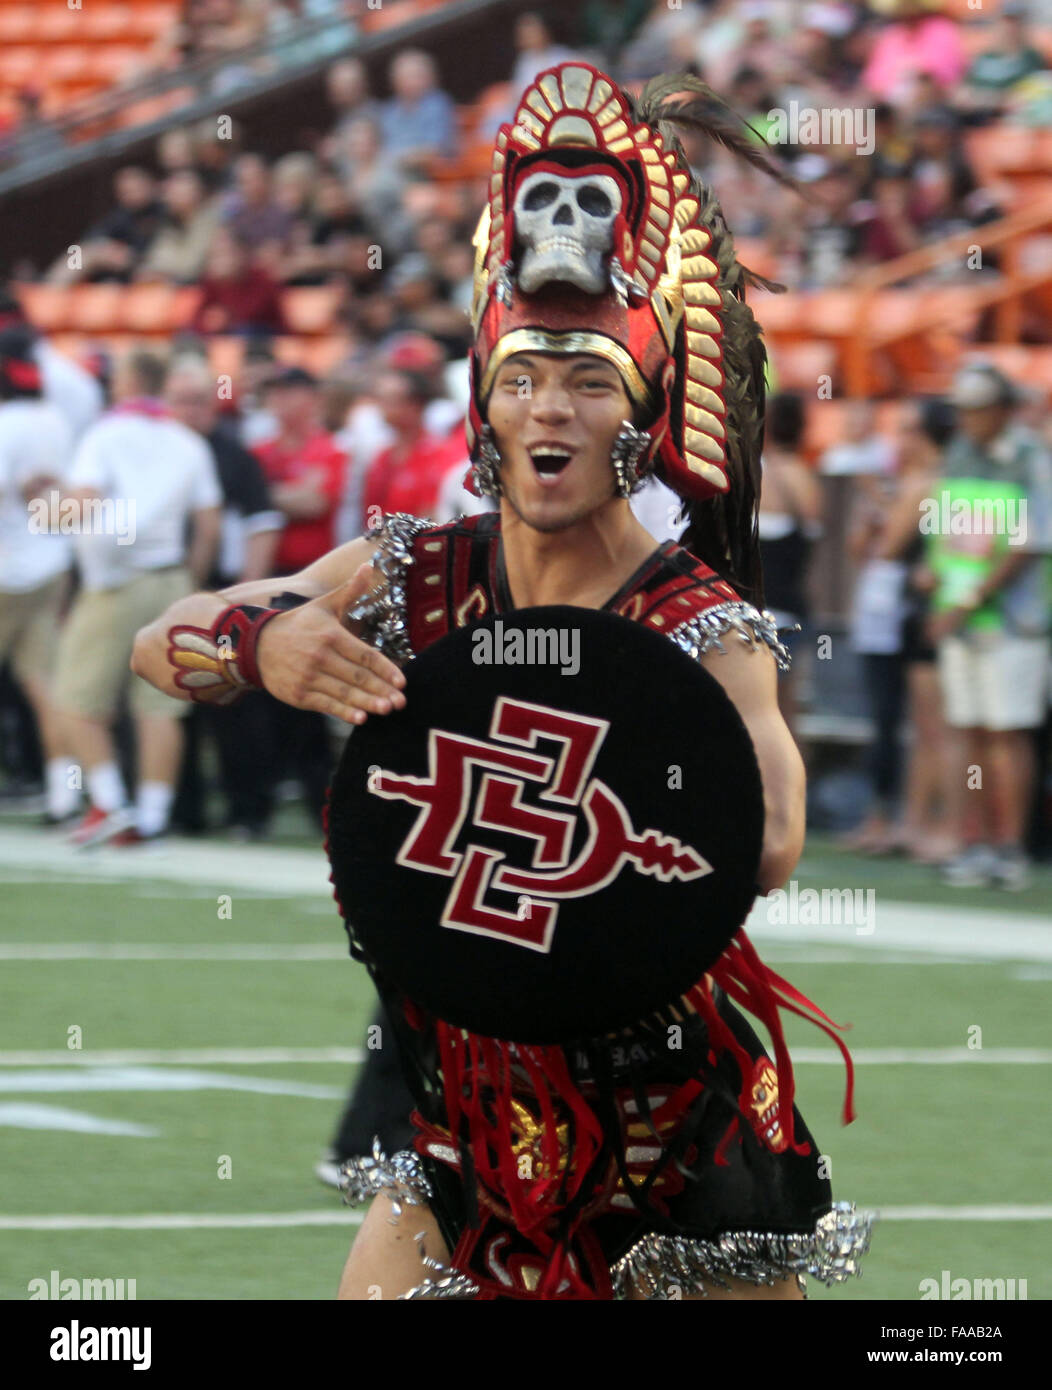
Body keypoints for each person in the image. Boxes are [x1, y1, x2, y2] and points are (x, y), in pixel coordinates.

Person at [131, 62, 872, 1300]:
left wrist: (605, 795)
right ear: (484, 402)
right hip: (457, 1104)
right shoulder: (409, 568)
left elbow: (776, 838)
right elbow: (166, 643)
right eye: (523, 377)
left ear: (636, 413)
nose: (552, 410)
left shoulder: (700, 620)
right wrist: (262, 643)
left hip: (662, 1129)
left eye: (588, 381)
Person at [54, 350, 222, 846]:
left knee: (76, 700)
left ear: (127, 383)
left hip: (114, 583)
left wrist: (44, 513)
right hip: (170, 580)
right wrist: (189, 585)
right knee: (160, 706)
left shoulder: (104, 434)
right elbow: (208, 526)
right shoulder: (188, 442)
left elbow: (81, 505)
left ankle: (110, 804)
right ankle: (152, 815)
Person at [929, 363, 1052, 889]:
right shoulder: (960, 454)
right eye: (964, 410)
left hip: (1011, 620)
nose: (969, 419)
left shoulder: (1030, 460)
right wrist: (936, 583)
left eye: (978, 409)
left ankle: (1009, 848)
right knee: (968, 730)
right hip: (961, 614)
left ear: (1003, 409)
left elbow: (1028, 543)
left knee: (1007, 732)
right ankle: (971, 843)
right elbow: (950, 531)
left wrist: (965, 598)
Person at [0, 329, 78, 824]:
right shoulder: (54, 418)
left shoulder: (6, 423)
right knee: (45, 684)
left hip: (7, 567)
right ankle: (63, 795)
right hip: (53, 561)